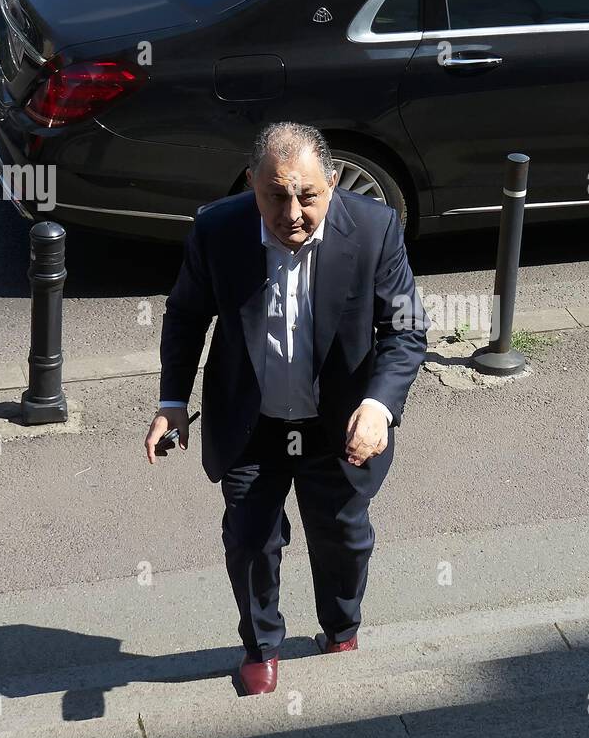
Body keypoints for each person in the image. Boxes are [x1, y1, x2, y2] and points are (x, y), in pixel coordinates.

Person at [145, 121, 428, 695]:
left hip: (339, 427)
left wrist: (379, 404)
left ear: (332, 183)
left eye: (308, 195)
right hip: (253, 425)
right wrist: (172, 401)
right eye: (275, 195)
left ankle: (340, 625)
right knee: (250, 540)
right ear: (252, 184)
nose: (292, 212)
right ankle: (261, 646)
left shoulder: (374, 229)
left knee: (343, 537)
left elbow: (405, 330)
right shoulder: (217, 230)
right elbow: (185, 316)